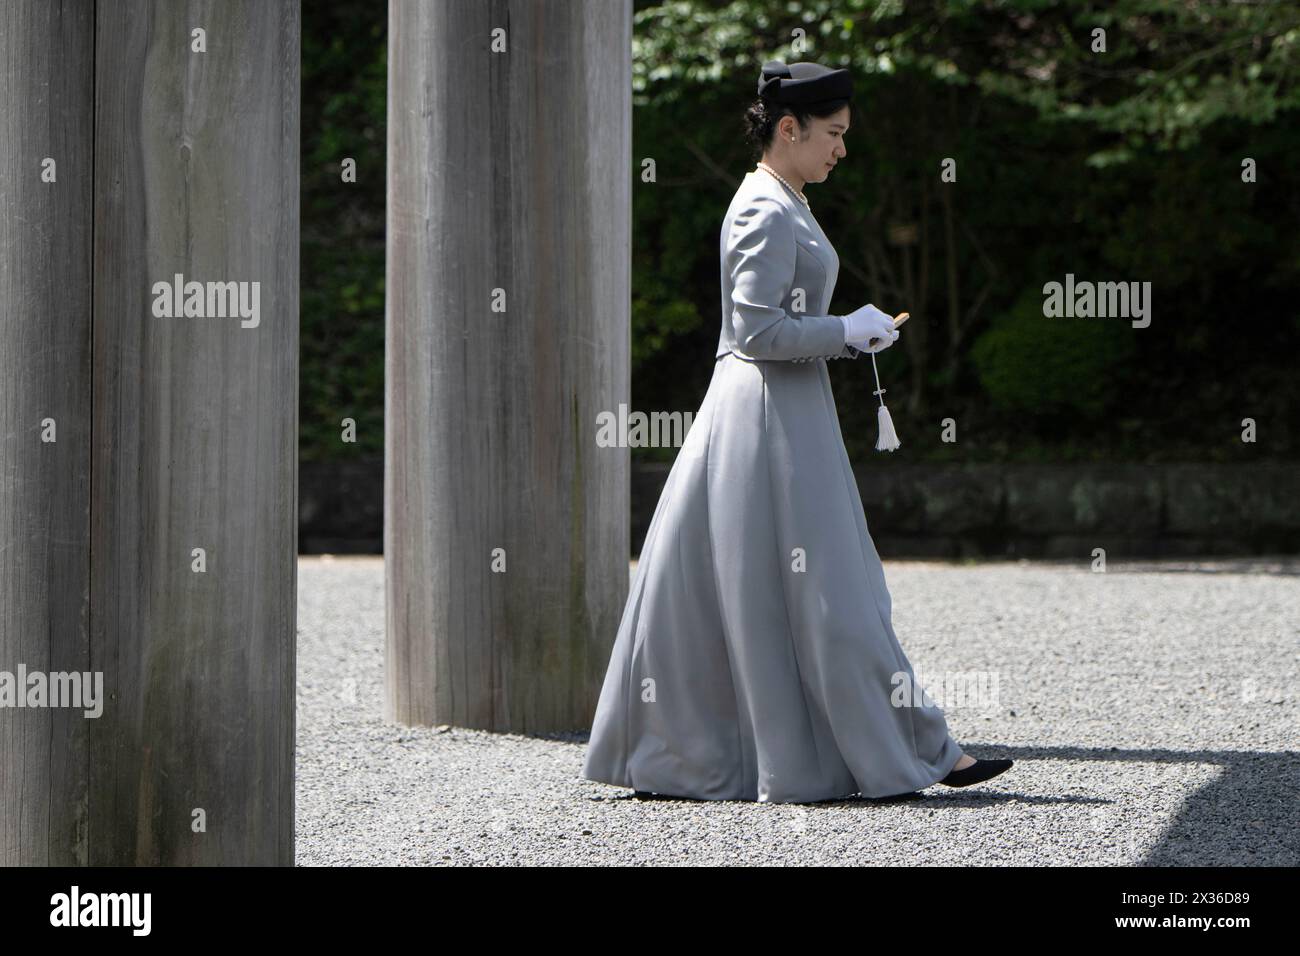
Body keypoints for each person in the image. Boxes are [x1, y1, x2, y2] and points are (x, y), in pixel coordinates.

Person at [582, 60, 1012, 802]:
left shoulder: (785, 198)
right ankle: (917, 749)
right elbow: (755, 330)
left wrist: (848, 335)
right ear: (790, 128)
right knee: (828, 590)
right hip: (765, 413)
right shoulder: (764, 206)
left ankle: (898, 746)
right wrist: (846, 327)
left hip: (784, 408)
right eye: (834, 134)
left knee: (782, 590)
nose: (841, 149)